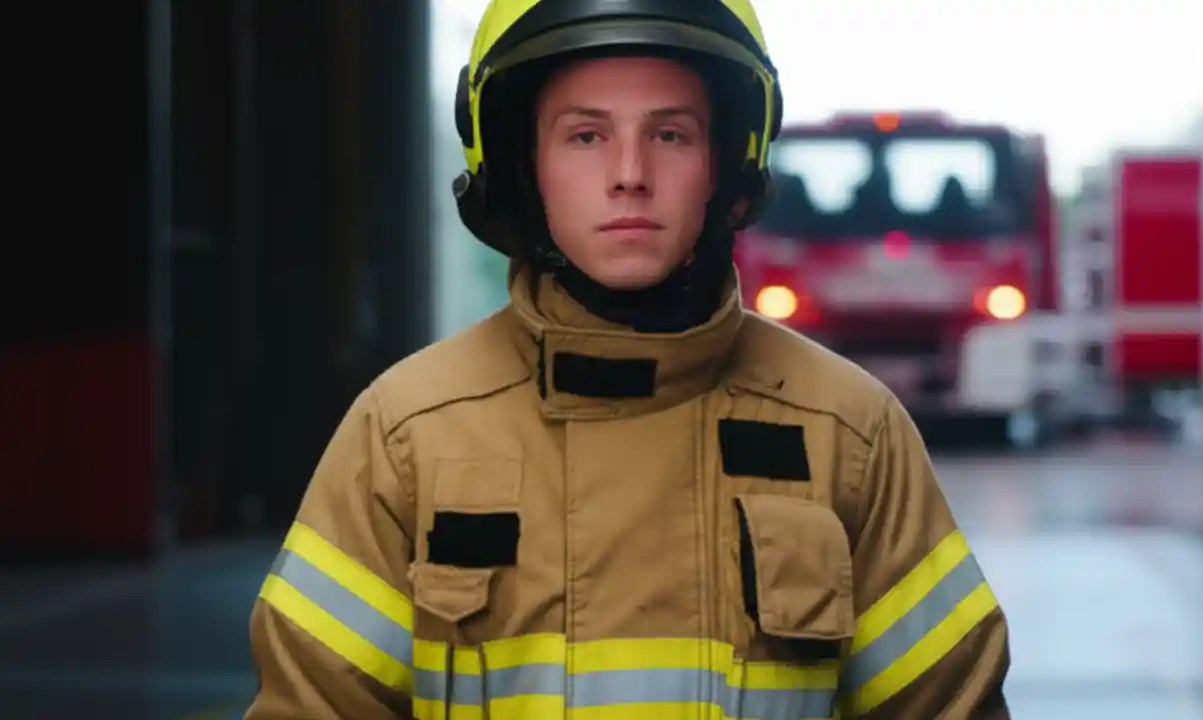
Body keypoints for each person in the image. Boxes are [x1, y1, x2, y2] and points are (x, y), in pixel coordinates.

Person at [244, 1, 1012, 718]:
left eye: (670, 134)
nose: (629, 173)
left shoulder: (850, 433)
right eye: (586, 135)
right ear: (523, 165)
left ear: (725, 163)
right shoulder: (407, 436)